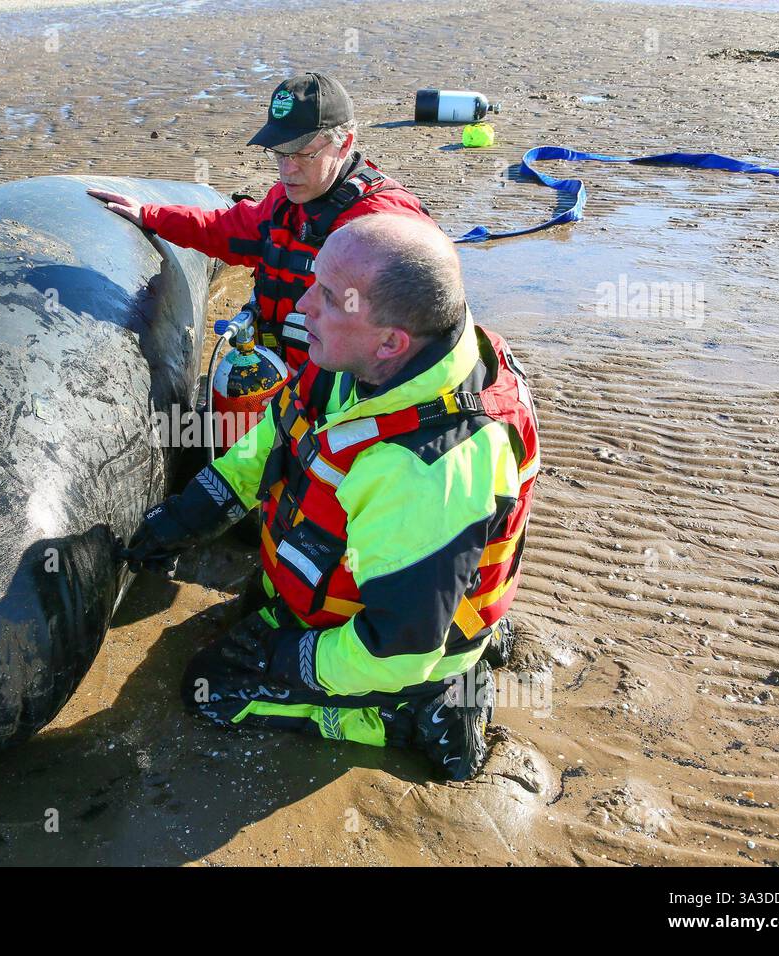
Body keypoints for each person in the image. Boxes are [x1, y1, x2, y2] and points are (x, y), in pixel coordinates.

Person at [121, 214, 540, 781]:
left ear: (392, 341)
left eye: (327, 297)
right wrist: (192, 511)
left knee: (213, 689)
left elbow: (399, 649)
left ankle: (414, 714)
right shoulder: (364, 361)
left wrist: (290, 659)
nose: (301, 308)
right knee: (249, 618)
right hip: (370, 584)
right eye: (312, 282)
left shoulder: (425, 472)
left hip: (399, 652)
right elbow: (278, 434)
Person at [88, 72, 431, 371]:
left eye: (302, 154)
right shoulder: (284, 203)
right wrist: (150, 215)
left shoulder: (385, 224)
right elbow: (222, 229)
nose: (287, 170)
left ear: (345, 145)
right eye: (279, 154)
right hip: (283, 373)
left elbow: (423, 330)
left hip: (346, 393)